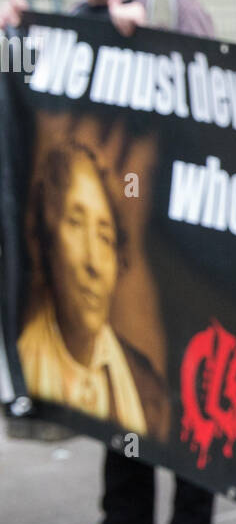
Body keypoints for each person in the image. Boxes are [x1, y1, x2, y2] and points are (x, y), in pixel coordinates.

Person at [2, 0, 216, 524]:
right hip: (108, 244)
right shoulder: (72, 26)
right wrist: (16, 34)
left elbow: (220, 94)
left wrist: (153, 44)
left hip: (177, 236)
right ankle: (125, 522)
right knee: (115, 383)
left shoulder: (165, 1)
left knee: (178, 386)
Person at [18, 142, 169, 440]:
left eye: (105, 237)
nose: (94, 264)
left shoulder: (146, 391)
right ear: (48, 238)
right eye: (75, 223)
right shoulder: (22, 361)